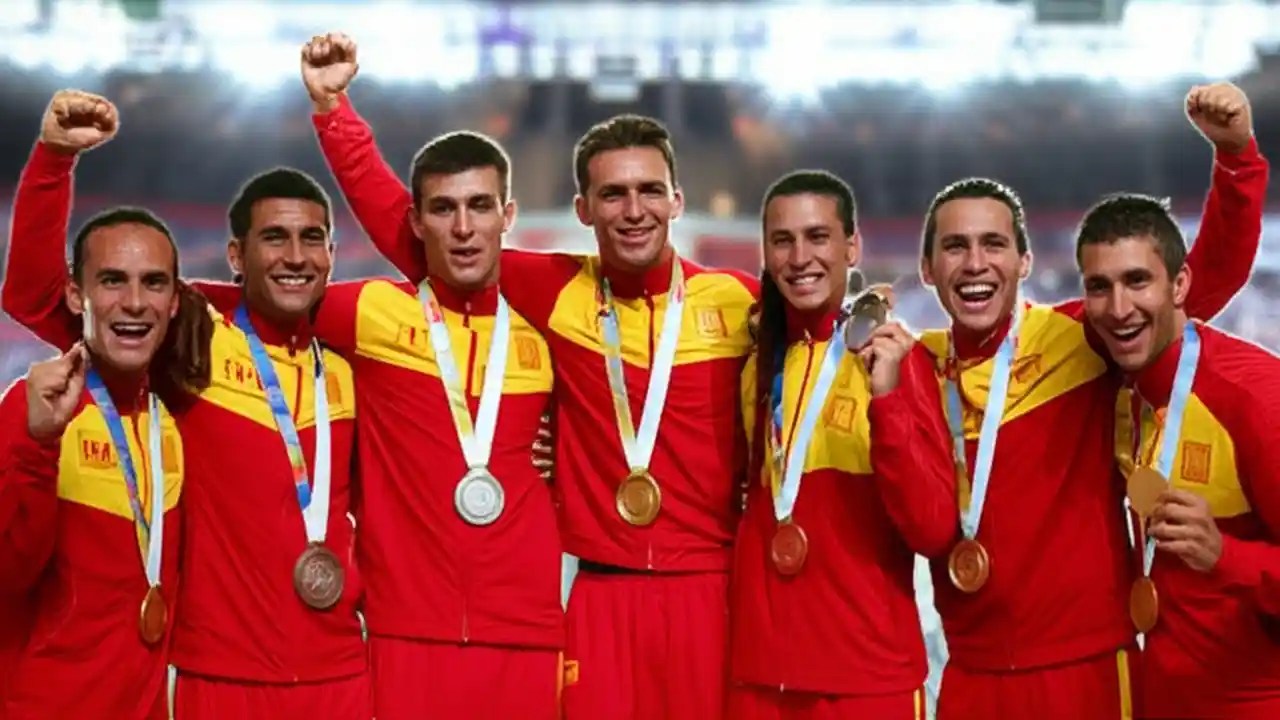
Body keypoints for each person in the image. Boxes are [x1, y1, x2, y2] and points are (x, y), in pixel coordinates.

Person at [304, 31, 756, 720]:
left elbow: (816, 342)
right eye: (612, 195)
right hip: (598, 597)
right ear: (583, 211)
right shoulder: (554, 291)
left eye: (647, 192)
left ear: (676, 200)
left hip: (710, 591)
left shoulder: (737, 301)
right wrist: (337, 115)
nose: (632, 211)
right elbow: (421, 239)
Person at [1, 90, 370, 718]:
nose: (294, 256)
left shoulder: (352, 363)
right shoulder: (191, 334)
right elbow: (42, 297)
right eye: (274, 238)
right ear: (235, 258)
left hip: (339, 671)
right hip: (216, 676)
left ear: (333, 256)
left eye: (313, 240)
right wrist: (54, 161)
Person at [909, 82, 1268, 719]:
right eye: (954, 247)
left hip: (1092, 674)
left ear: (1024, 262)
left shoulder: (1083, 337)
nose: (974, 264)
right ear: (926, 268)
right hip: (972, 673)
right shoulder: (908, 369)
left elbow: (1197, 283)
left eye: (993, 245)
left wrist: (1237, 162)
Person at [727, 170, 955, 720]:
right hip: (760, 675)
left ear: (852, 246)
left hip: (867, 679)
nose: (799, 256)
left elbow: (932, 528)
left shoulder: (899, 361)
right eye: (783, 241)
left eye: (818, 236)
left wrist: (889, 403)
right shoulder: (754, 368)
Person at [0, 193, 214, 717]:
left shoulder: (175, 417)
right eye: (113, 280)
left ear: (174, 301)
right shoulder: (31, 409)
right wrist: (38, 447)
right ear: (77, 295)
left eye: (153, 282)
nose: (135, 301)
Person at [1077, 193, 1280, 718]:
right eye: (1099, 286)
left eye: (1138, 281)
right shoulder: (1126, 387)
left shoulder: (1254, 398)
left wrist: (1227, 555)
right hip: (1161, 697)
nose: (1118, 308)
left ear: (1181, 284)